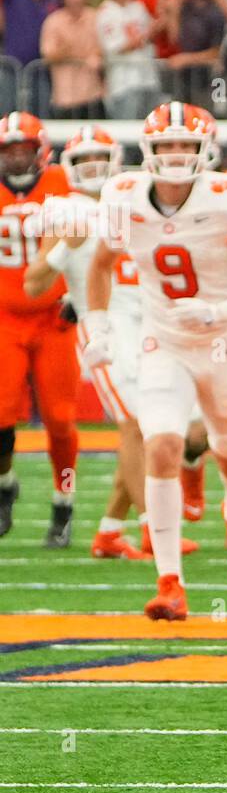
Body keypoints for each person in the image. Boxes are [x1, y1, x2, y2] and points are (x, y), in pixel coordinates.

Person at [84, 101, 227, 620]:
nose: (175, 154)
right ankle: (170, 582)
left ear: (204, 150)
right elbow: (100, 266)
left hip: (222, 343)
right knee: (161, 444)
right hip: (162, 341)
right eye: (166, 145)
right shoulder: (124, 198)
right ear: (147, 151)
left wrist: (220, 309)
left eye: (185, 145)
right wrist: (97, 324)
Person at [23, 127, 149, 561]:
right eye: (83, 160)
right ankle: (155, 528)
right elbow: (34, 284)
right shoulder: (62, 212)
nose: (94, 167)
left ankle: (111, 531)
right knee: (136, 423)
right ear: (67, 168)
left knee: (166, 429)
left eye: (101, 157)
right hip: (106, 333)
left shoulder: (135, 196)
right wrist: (63, 252)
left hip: (152, 326)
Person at [0, 114, 78, 548]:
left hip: (54, 319)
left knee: (61, 421)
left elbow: (90, 243)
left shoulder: (63, 185)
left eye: (22, 149)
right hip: (4, 320)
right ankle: (5, 483)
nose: (14, 157)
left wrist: (80, 298)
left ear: (40, 151)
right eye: (7, 150)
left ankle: (63, 501)